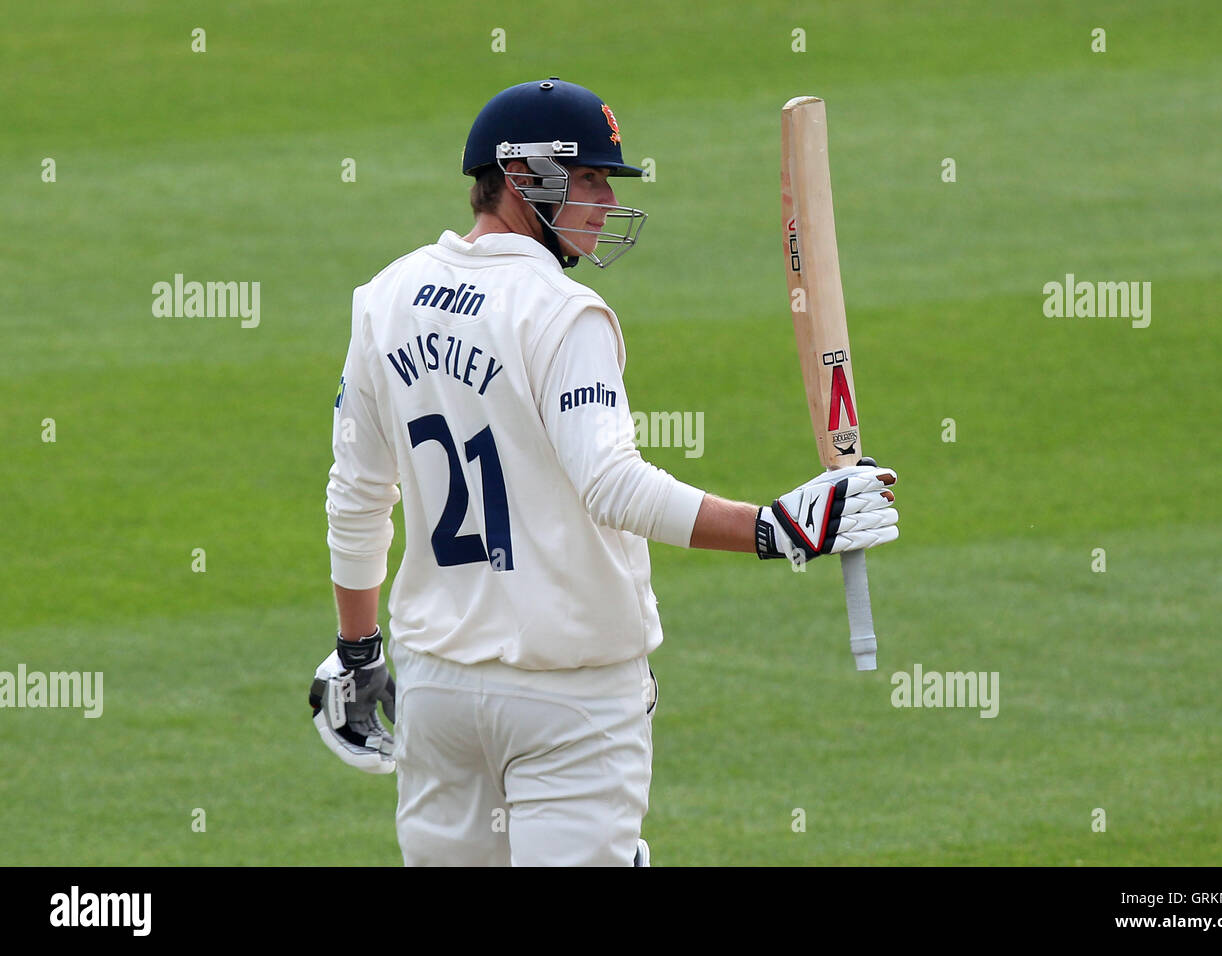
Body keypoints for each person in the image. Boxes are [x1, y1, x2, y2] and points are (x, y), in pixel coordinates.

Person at [308, 78, 900, 866]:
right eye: (587, 178)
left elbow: (356, 496)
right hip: (571, 698)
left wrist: (358, 652)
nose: (602, 199)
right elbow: (613, 485)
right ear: (525, 178)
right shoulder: (562, 313)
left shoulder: (384, 298)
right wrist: (774, 528)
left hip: (438, 693)